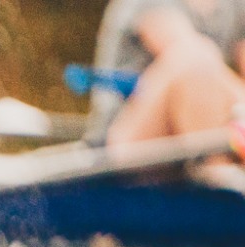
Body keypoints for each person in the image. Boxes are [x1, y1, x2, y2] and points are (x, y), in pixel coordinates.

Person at [87, 0, 245, 147]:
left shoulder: (234, 5)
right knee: (194, 60)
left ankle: (219, 166)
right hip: (120, 145)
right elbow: (191, 56)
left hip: (187, 140)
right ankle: (217, 167)